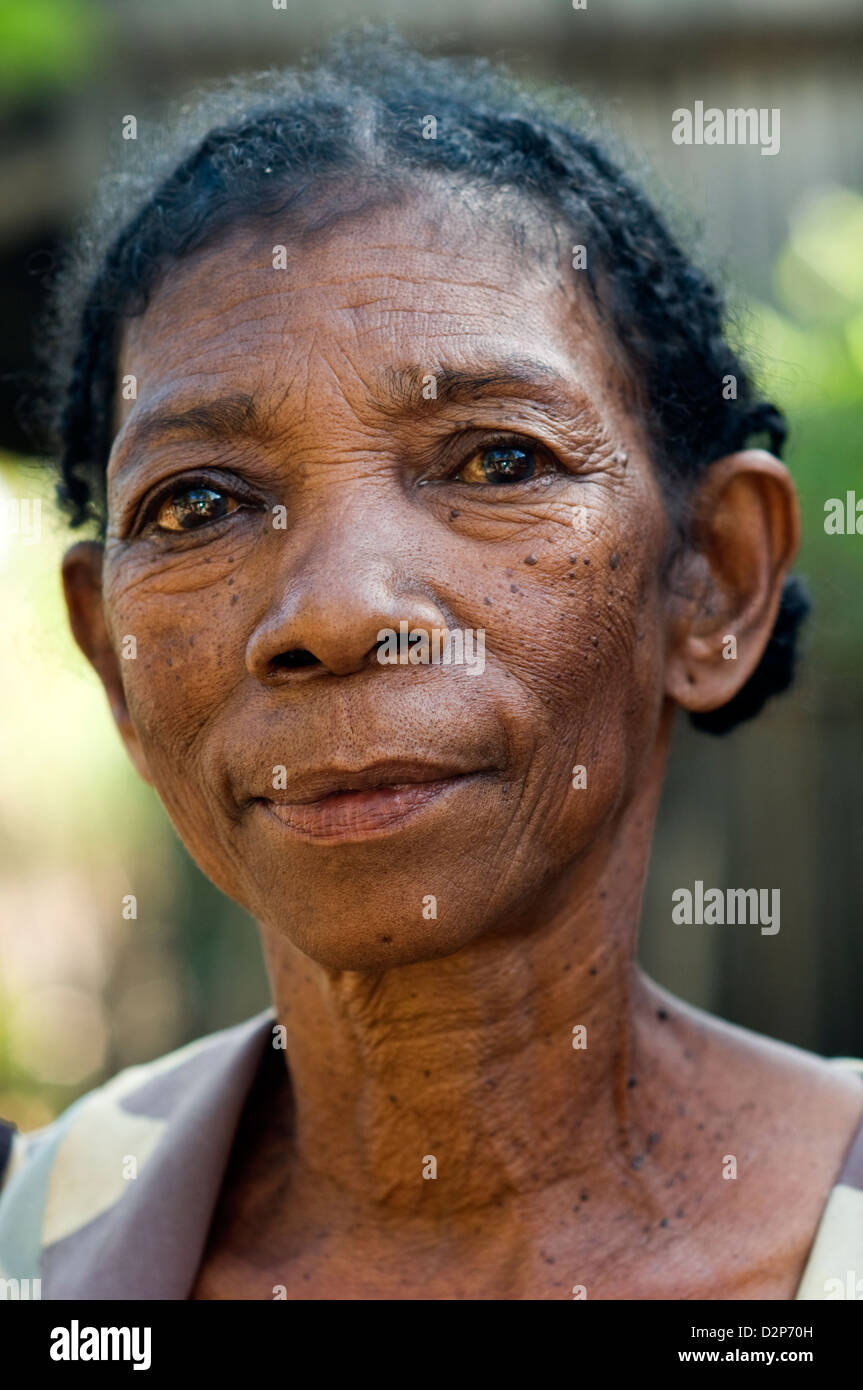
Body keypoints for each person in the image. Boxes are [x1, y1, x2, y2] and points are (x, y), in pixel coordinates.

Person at [1, 28, 861, 1300]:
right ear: (114, 662)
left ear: (712, 581)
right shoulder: (36, 1250)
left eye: (496, 462)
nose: (336, 613)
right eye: (198, 504)